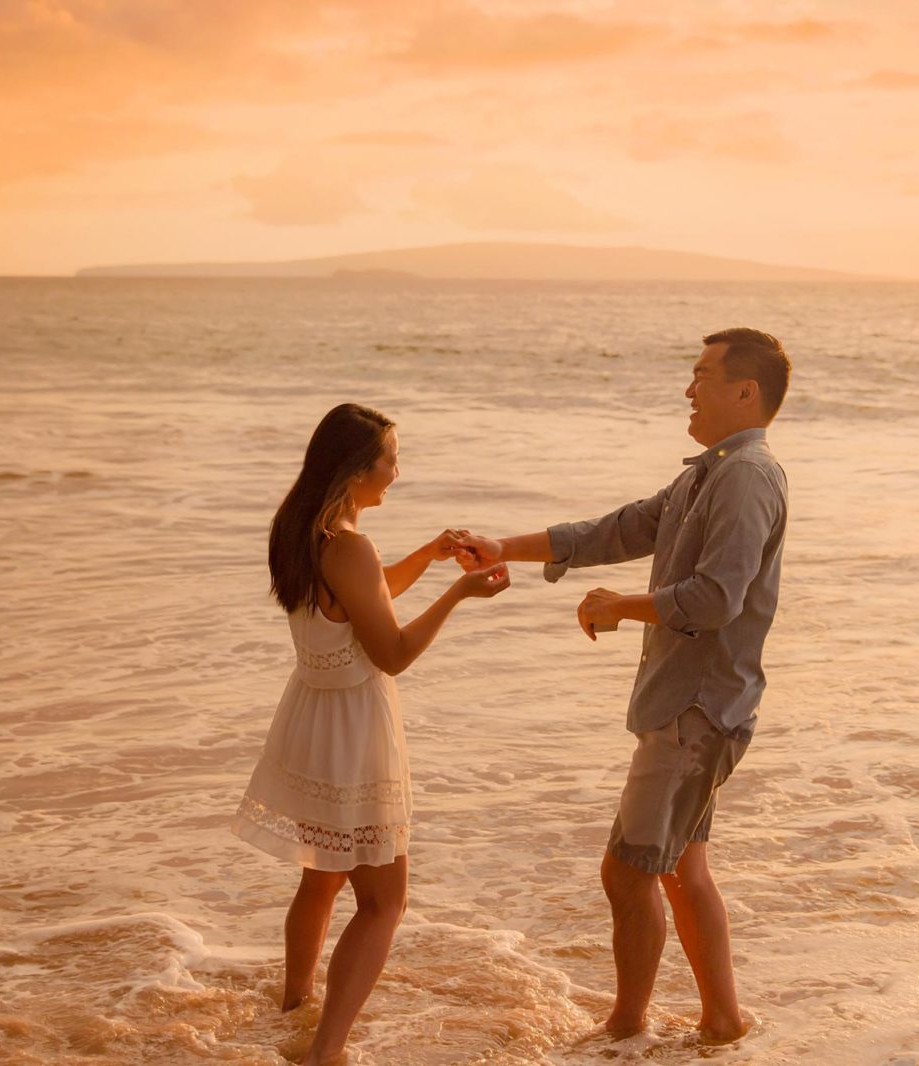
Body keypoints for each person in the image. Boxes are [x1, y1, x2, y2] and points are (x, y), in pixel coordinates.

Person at [458, 328, 790, 1043]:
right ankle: (722, 1020)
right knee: (679, 869)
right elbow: (619, 529)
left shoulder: (746, 477)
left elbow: (717, 597)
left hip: (697, 710)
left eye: (702, 376)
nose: (688, 390)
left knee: (627, 871)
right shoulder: (707, 474)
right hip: (690, 704)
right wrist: (505, 547)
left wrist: (620, 606)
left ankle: (625, 1030)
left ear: (745, 392)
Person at [232, 402, 510, 1066]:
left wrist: (429, 556)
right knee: (385, 902)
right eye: (391, 458)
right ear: (357, 469)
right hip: (353, 732)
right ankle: (325, 1051)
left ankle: (295, 1009)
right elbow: (391, 652)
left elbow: (364, 595)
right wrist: (458, 594)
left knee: (322, 878)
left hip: (310, 722)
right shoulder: (350, 544)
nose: (397, 471)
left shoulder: (303, 531)